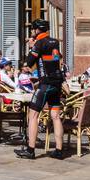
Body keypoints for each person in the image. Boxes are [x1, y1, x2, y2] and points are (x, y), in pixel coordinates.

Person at [15, 18, 67, 160]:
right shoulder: (54, 42)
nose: (32, 32)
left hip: (45, 84)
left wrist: (32, 47)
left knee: (33, 116)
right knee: (55, 117)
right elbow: (58, 59)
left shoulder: (39, 43)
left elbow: (27, 63)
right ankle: (59, 150)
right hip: (57, 84)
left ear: (37, 30)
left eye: (33, 29)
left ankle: (30, 150)